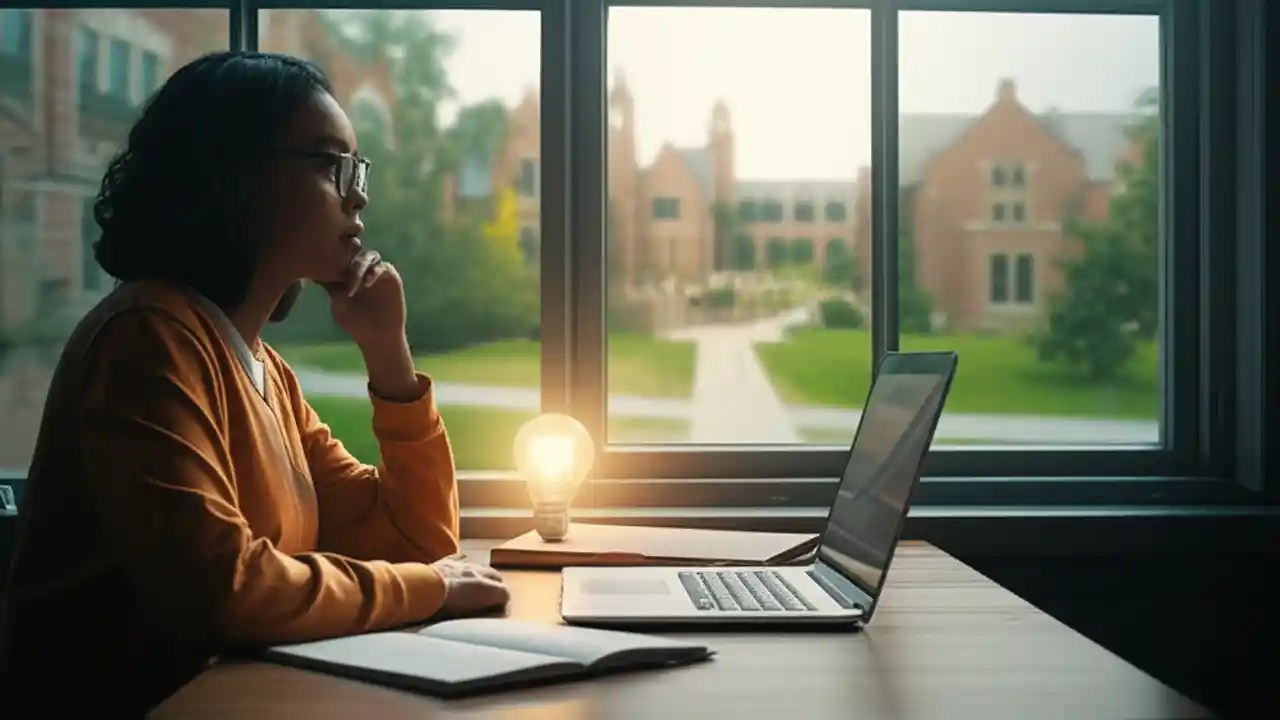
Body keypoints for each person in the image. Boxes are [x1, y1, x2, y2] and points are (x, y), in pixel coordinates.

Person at [0, 51, 509, 716]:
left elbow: (419, 543)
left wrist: (389, 354)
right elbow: (225, 589)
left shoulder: (264, 370)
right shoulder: (146, 341)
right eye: (331, 164)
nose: (358, 194)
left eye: (356, 170)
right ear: (232, 173)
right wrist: (431, 590)